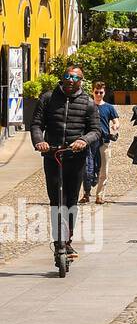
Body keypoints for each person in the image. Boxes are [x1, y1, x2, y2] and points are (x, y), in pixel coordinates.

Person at [30, 65, 99, 264]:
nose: (70, 80)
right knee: (55, 201)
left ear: (81, 81)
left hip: (75, 157)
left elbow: (96, 130)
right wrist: (39, 142)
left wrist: (84, 140)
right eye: (67, 76)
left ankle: (67, 240)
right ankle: (58, 240)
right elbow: (36, 124)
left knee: (71, 201)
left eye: (75, 78)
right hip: (53, 155)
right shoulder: (48, 98)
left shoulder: (88, 103)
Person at [82, 82, 119, 205]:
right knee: (87, 169)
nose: (98, 94)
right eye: (96, 92)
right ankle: (86, 194)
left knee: (104, 170)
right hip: (89, 141)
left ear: (104, 92)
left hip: (104, 141)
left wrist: (115, 126)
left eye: (101, 92)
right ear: (92, 92)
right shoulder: (87, 105)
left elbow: (116, 121)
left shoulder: (109, 107)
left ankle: (100, 196)